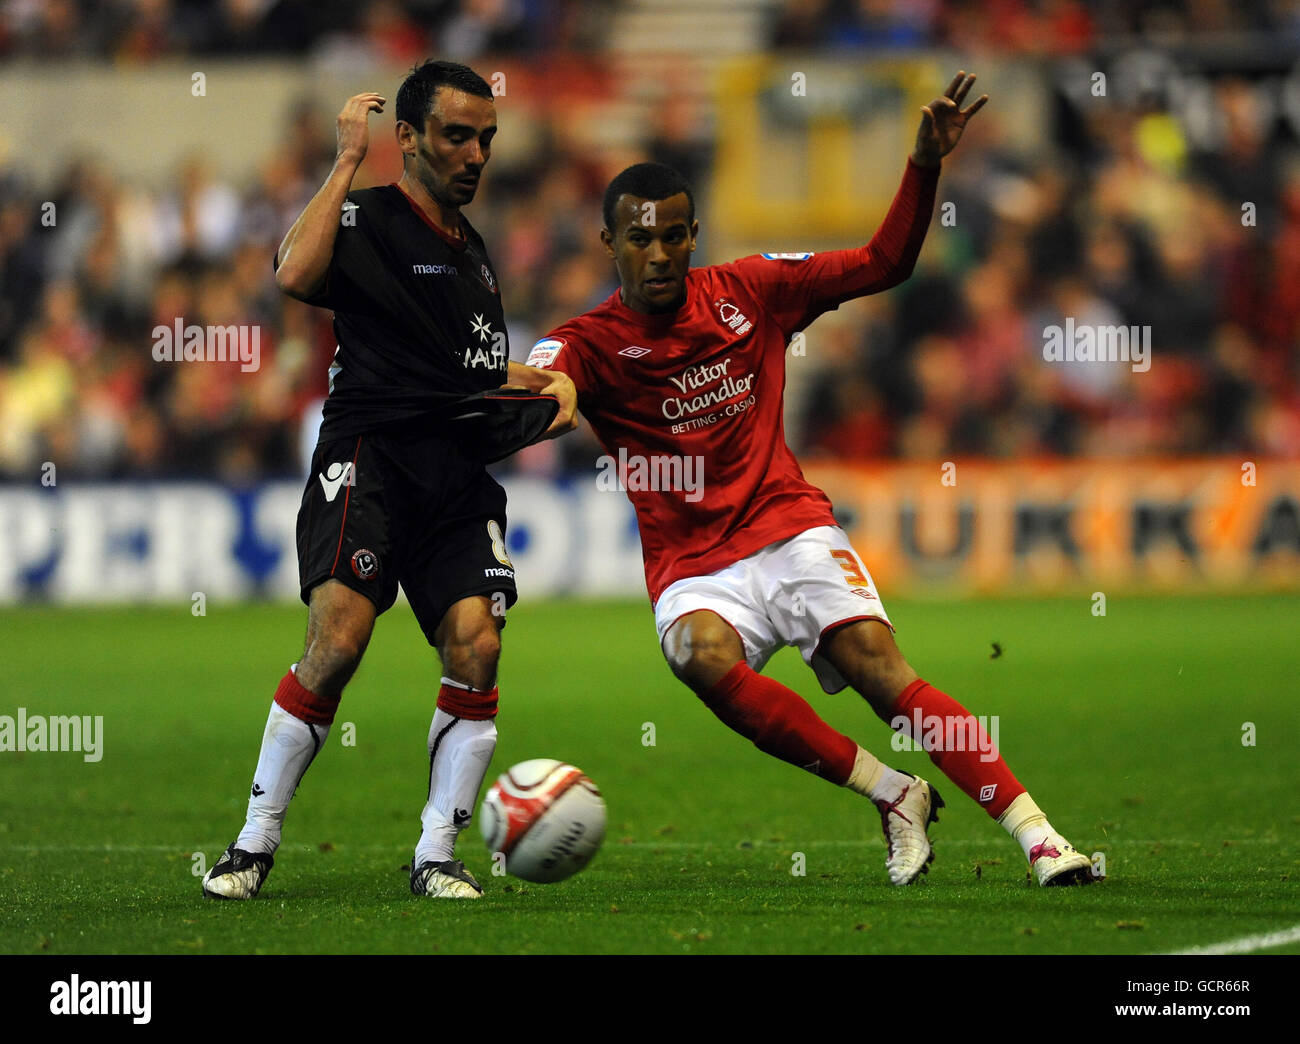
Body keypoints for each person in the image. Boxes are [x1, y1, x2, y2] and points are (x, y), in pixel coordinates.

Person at [514, 72, 1096, 887]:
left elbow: (884, 263)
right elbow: (544, 385)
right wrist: (550, 398)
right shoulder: (585, 339)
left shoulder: (752, 290)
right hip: (691, 564)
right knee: (697, 654)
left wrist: (923, 165)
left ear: (692, 236)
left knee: (879, 668)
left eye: (672, 237)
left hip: (786, 522)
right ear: (608, 243)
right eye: (637, 240)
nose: (656, 255)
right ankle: (892, 792)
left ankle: (1039, 837)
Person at [202, 60, 576, 901]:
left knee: (477, 645)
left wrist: (540, 385)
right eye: (456, 136)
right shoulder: (367, 217)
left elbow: (465, 372)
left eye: (486, 138)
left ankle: (437, 853)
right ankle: (254, 843)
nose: (476, 153)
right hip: (370, 460)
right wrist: (342, 163)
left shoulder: (475, 255)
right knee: (337, 643)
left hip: (455, 474)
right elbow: (294, 276)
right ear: (404, 138)